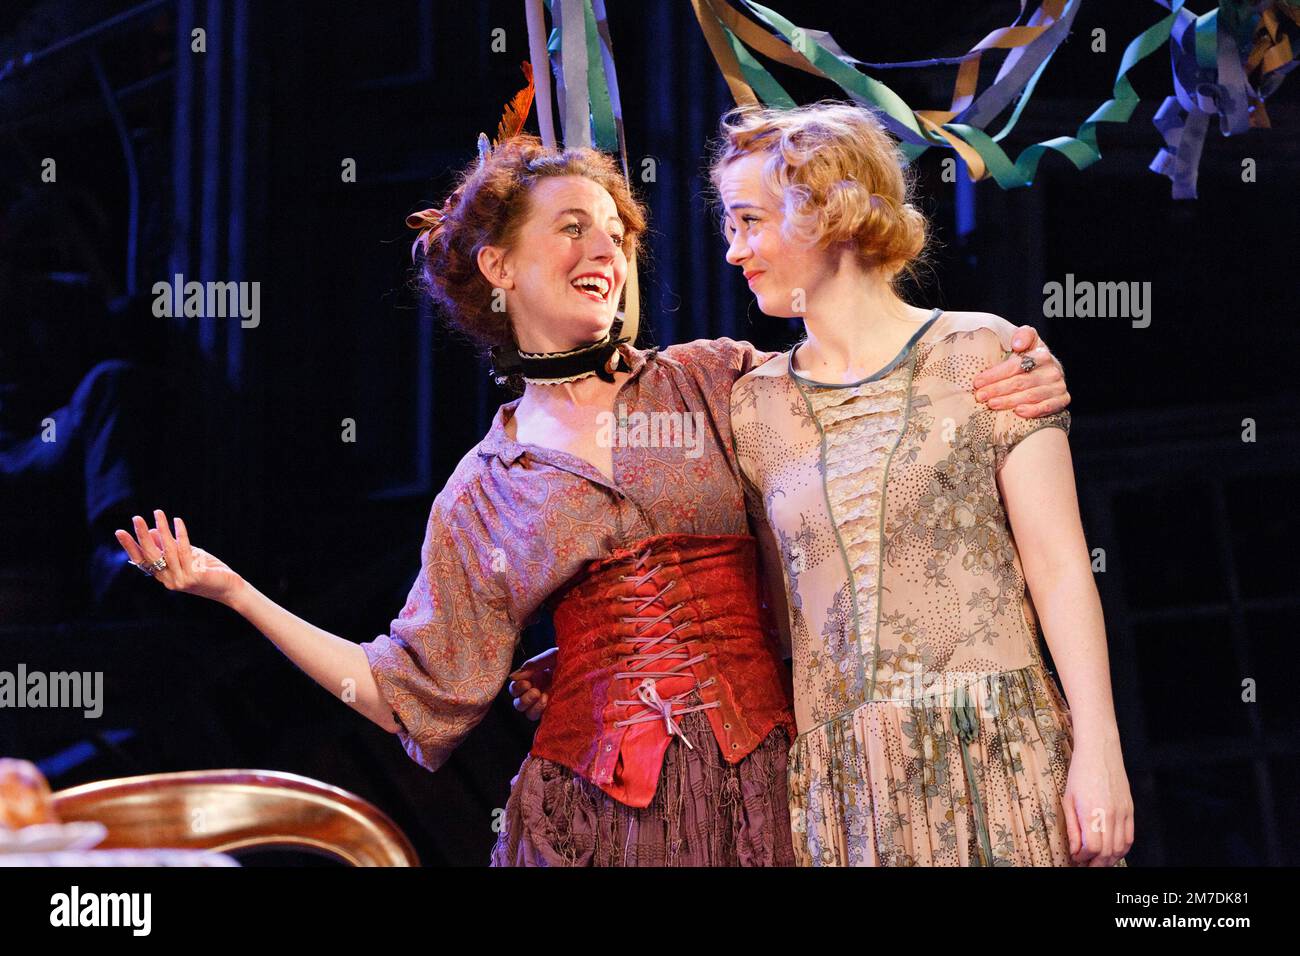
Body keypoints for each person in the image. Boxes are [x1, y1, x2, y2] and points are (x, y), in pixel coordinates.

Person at [114, 130, 1070, 866]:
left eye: (616, 234)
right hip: (597, 817)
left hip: (776, 791)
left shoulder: (715, 382)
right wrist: (234, 593)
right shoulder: (487, 492)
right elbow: (405, 692)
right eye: (572, 227)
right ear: (497, 266)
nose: (605, 250)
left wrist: (1007, 364)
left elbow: (865, 393)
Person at [513, 102, 1131, 867]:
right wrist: (604, 658)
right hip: (847, 789)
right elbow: (750, 596)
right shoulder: (754, 404)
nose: (734, 250)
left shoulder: (985, 353)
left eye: (749, 221)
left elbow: (1062, 569)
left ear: (828, 210)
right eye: (730, 226)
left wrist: (1099, 747)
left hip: (998, 751)